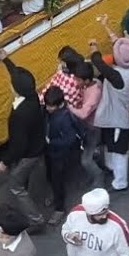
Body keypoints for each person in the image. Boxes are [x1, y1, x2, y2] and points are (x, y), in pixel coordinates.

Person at [0, 58, 47, 230]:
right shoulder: (32, 96)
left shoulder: (20, 114)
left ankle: (35, 219)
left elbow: (19, 144)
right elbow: (19, 77)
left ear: (16, 90)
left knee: (15, 185)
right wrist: (6, 61)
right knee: (28, 178)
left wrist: (5, 161)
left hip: (28, 154)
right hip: (38, 146)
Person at [91, 37, 129, 191]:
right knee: (113, 146)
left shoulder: (118, 77)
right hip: (121, 115)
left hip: (118, 119)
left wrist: (94, 48)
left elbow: (99, 63)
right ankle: (112, 168)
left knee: (119, 151)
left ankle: (120, 182)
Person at [43, 86, 87, 225]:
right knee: (50, 176)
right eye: (47, 106)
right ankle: (56, 196)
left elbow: (69, 139)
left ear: (60, 104)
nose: (48, 109)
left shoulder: (65, 118)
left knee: (57, 180)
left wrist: (51, 142)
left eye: (51, 106)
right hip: (50, 152)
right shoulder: (51, 113)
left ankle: (59, 208)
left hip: (59, 154)